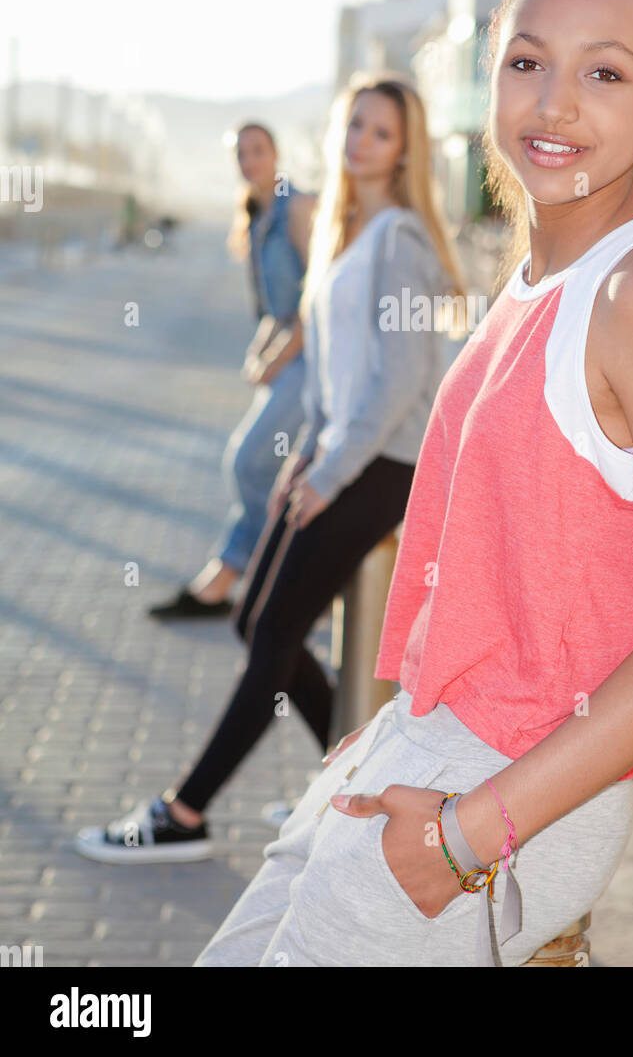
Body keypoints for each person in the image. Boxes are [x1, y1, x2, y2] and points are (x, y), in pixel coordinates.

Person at [189, 0, 633, 968]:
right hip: (424, 739)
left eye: (604, 72)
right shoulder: (536, 272)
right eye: (528, 62)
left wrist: (467, 834)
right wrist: (391, 727)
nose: (554, 105)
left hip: (503, 791)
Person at [74, 72, 465, 862]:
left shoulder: (401, 241)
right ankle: (355, 791)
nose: (362, 142)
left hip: (382, 465)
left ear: (405, 152)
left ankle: (183, 814)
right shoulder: (344, 232)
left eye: (381, 133)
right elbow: (331, 370)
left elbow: (395, 386)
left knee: (273, 633)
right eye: (355, 124)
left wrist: (331, 471)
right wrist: (309, 454)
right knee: (257, 619)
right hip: (339, 455)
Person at [148, 122, 316, 619]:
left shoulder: (297, 206)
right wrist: (257, 351)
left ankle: (243, 574)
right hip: (288, 352)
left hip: (312, 358)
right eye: (242, 154)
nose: (250, 161)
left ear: (276, 153)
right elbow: (274, 308)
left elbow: (316, 299)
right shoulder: (257, 215)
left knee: (248, 462)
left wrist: (275, 357)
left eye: (258, 151)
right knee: (266, 467)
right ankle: (246, 579)